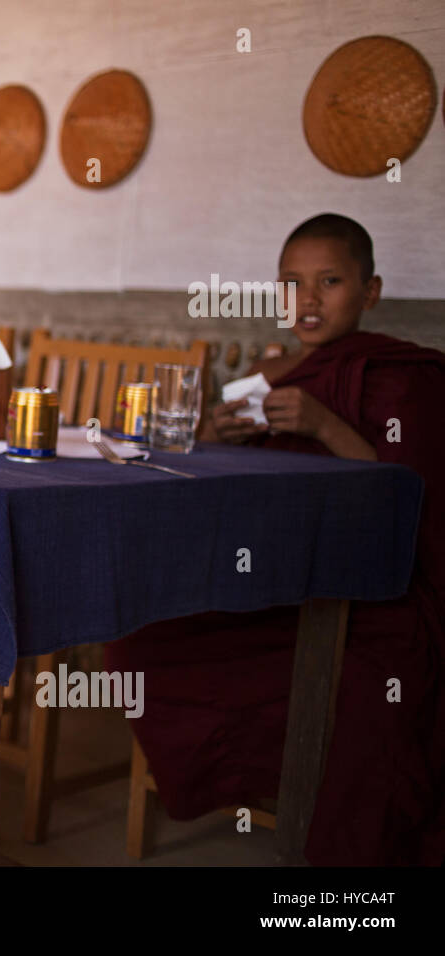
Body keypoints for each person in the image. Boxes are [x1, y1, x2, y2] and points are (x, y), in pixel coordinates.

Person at [107, 213, 445, 864]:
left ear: (369, 292)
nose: (308, 301)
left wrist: (322, 424)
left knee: (372, 689)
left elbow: (406, 498)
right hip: (277, 576)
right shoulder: (271, 370)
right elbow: (231, 485)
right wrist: (214, 432)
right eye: (292, 283)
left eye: (330, 282)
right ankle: (252, 776)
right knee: (138, 636)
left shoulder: (405, 377)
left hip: (377, 593)